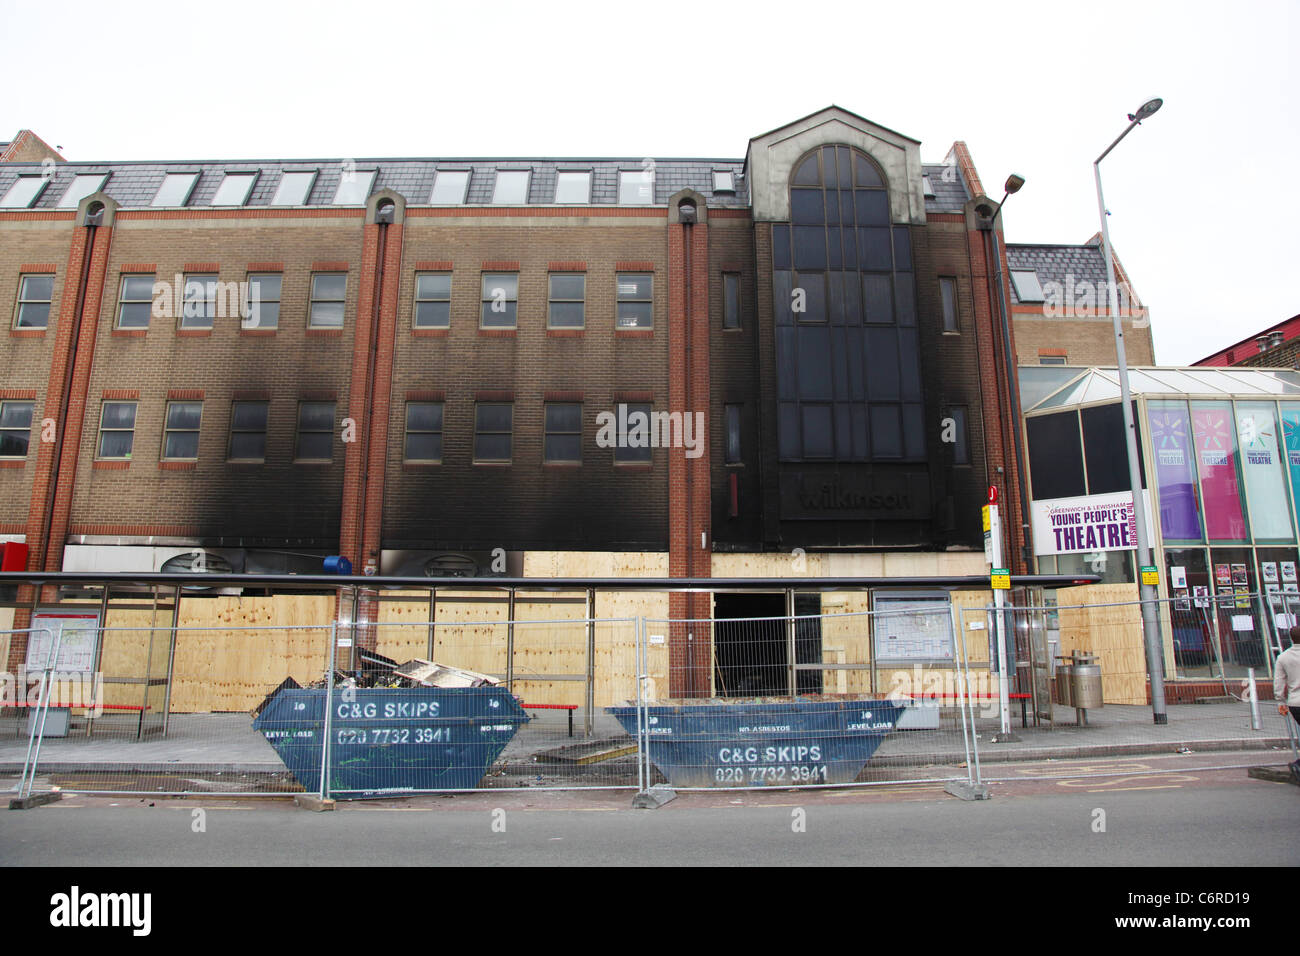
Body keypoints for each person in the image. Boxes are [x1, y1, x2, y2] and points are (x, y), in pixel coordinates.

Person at [1276, 625, 1300, 783]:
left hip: (1295, 702)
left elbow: (1278, 682)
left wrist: (1280, 700)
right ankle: (1298, 765)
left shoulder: (1283, 657)